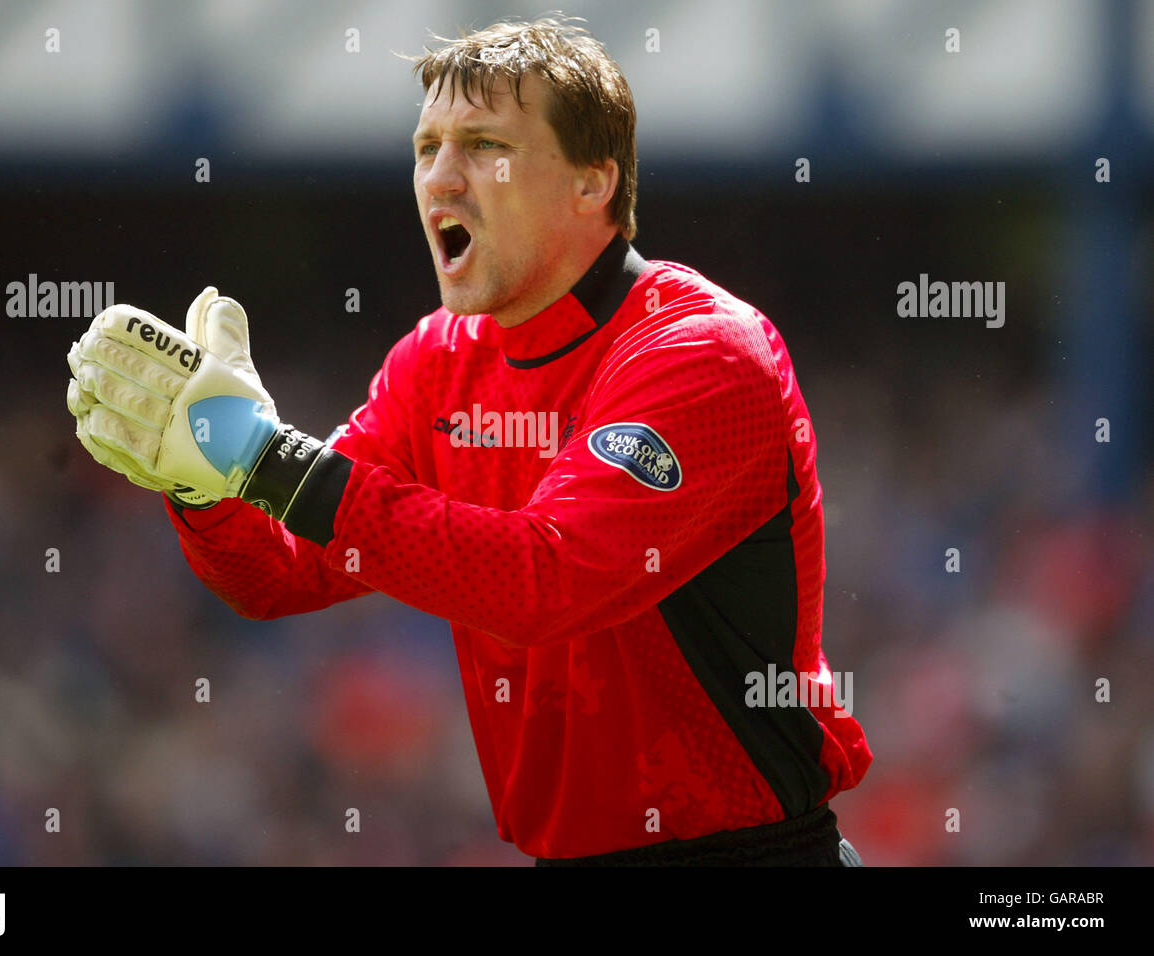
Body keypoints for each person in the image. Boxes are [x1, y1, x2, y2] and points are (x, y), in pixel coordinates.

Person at [66, 15, 872, 865]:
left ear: (593, 183)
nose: (440, 180)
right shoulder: (438, 361)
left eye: (484, 146)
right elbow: (277, 572)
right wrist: (203, 484)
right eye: (426, 148)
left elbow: (543, 582)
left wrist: (266, 461)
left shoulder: (702, 353)